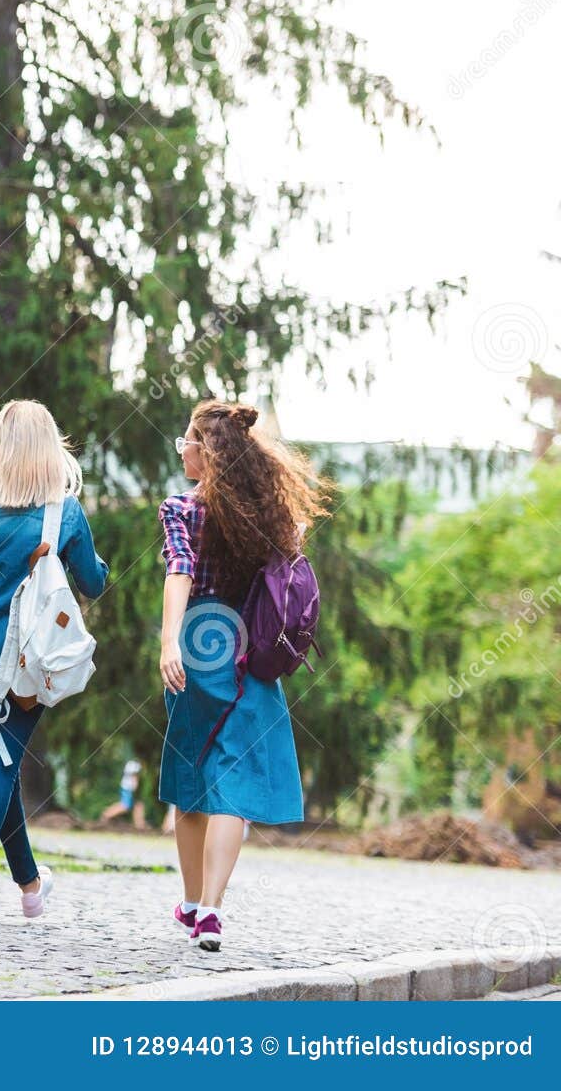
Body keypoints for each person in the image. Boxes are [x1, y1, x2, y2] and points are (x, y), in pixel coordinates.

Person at [159, 400, 328, 951]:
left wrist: (168, 642)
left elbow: (179, 574)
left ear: (206, 453)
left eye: (187, 441)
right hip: (252, 649)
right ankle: (209, 909)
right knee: (231, 779)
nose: (182, 448)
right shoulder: (270, 518)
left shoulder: (181, 509)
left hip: (199, 641)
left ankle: (189, 901)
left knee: (191, 777)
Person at [0, 400, 108, 929]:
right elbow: (94, 583)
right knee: (0, 765)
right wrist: (89, 561)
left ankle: (31, 888)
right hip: (27, 664)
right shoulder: (64, 512)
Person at [100, 758, 145, 825]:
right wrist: (135, 787)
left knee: (138, 805)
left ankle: (140, 824)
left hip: (126, 787)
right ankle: (106, 815)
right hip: (128, 788)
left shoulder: (131, 763)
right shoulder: (135, 764)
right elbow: (134, 777)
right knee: (125, 806)